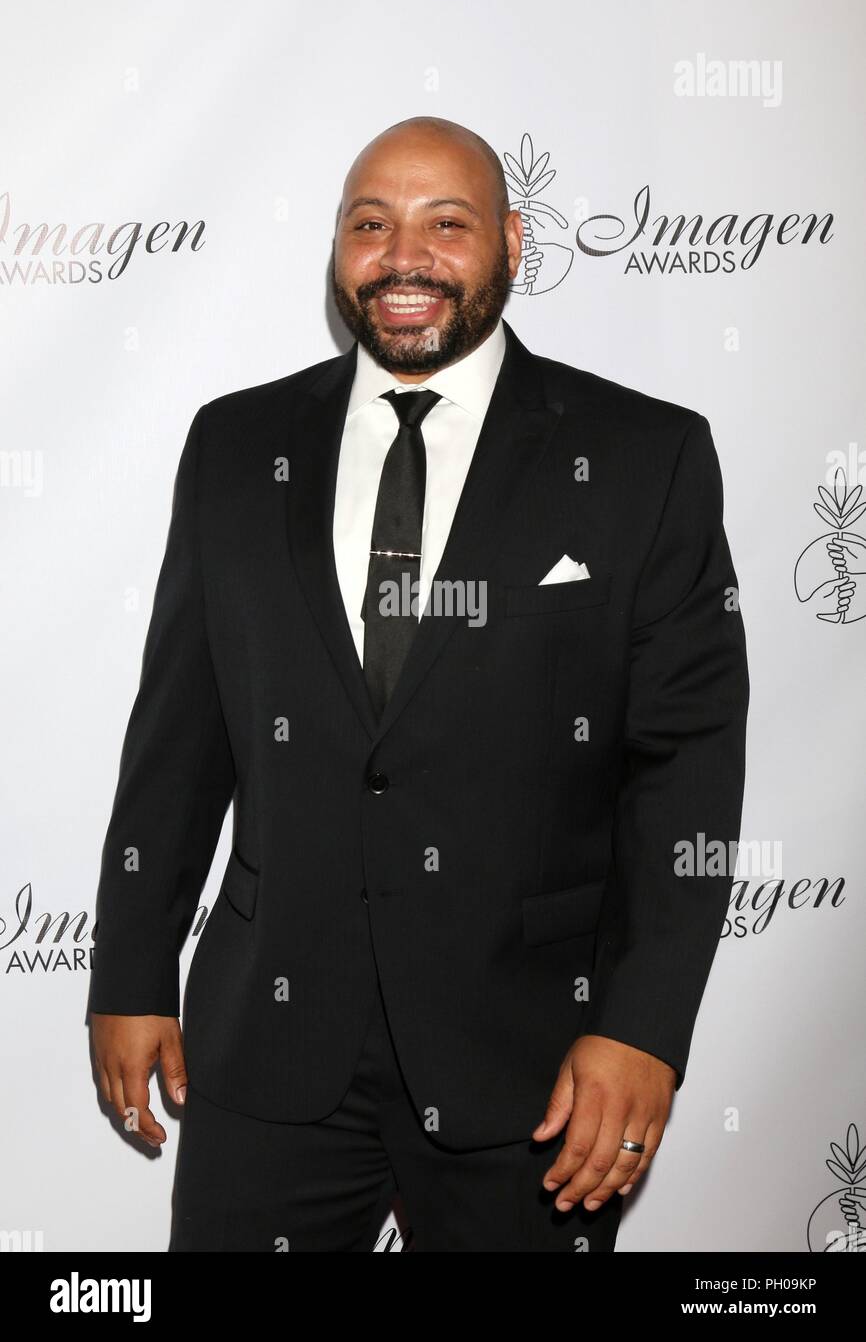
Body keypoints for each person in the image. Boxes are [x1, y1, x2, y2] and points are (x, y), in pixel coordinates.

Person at [87, 115, 749, 1252]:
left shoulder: (644, 456)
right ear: (338, 253)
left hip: (534, 1059)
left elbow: (683, 766)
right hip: (270, 1040)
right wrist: (133, 966)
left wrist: (643, 1027)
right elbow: (179, 736)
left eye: (445, 224)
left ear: (510, 242)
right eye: (370, 225)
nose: (404, 258)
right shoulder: (238, 445)